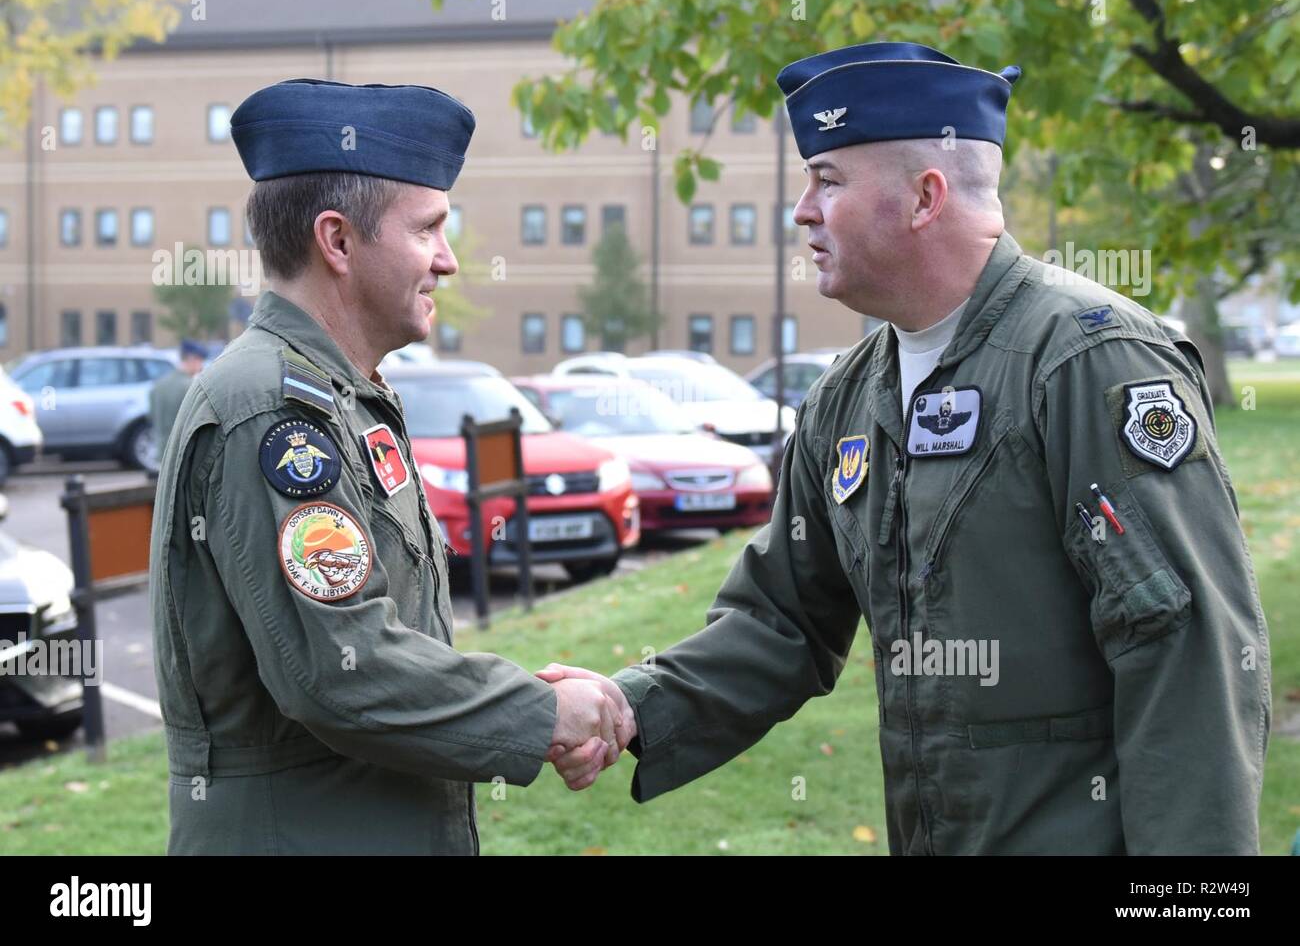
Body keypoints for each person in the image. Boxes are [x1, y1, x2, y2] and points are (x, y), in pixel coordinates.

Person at [542, 42, 1272, 854]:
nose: (802, 212)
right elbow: (783, 620)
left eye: (828, 180)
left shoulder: (1088, 361)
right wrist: (633, 701)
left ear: (925, 197)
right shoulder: (847, 399)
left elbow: (1188, 654)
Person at [147, 78, 624, 855]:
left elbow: (385, 638)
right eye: (429, 230)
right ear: (337, 242)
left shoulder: (342, 396)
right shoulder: (276, 412)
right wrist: (541, 716)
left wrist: (509, 696)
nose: (449, 261)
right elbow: (342, 669)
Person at [147, 339, 206, 473]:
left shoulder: (158, 385)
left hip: (160, 454)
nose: (201, 366)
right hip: (182, 456)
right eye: (200, 361)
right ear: (192, 359)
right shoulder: (191, 386)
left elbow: (151, 417)